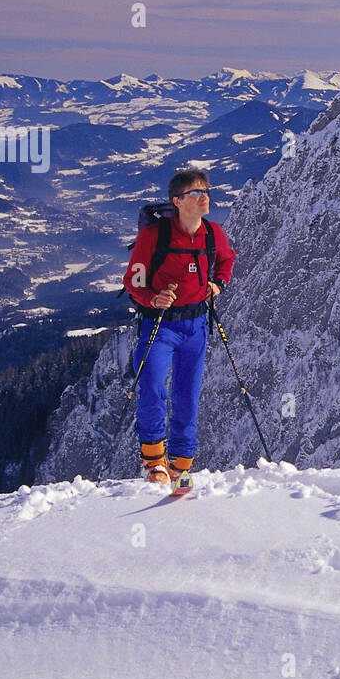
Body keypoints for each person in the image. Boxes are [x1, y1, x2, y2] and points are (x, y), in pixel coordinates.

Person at [121, 169, 236, 487]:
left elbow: (227, 260)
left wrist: (218, 285)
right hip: (160, 325)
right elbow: (134, 279)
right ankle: (154, 462)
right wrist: (152, 297)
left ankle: (182, 463)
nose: (205, 197)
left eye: (206, 191)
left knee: (187, 393)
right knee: (153, 388)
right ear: (177, 201)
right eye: (196, 192)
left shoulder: (213, 234)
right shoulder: (154, 237)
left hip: (197, 323)